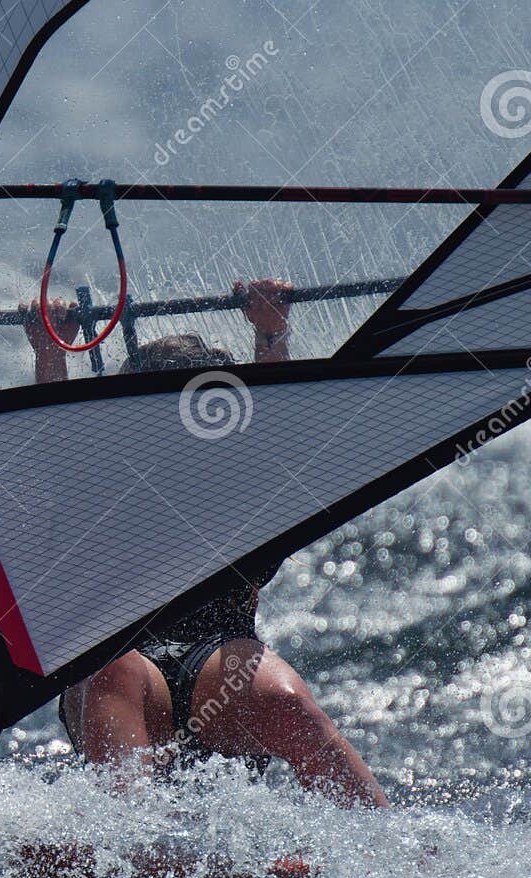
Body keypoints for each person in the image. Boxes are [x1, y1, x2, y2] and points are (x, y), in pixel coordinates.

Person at [22, 279, 389, 809]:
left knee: (287, 701)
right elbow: (51, 446)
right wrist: (50, 351)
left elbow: (275, 431)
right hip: (119, 672)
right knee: (115, 669)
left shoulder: (247, 483)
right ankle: (127, 842)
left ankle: (388, 841)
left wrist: (270, 331)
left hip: (219, 665)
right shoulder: (98, 483)